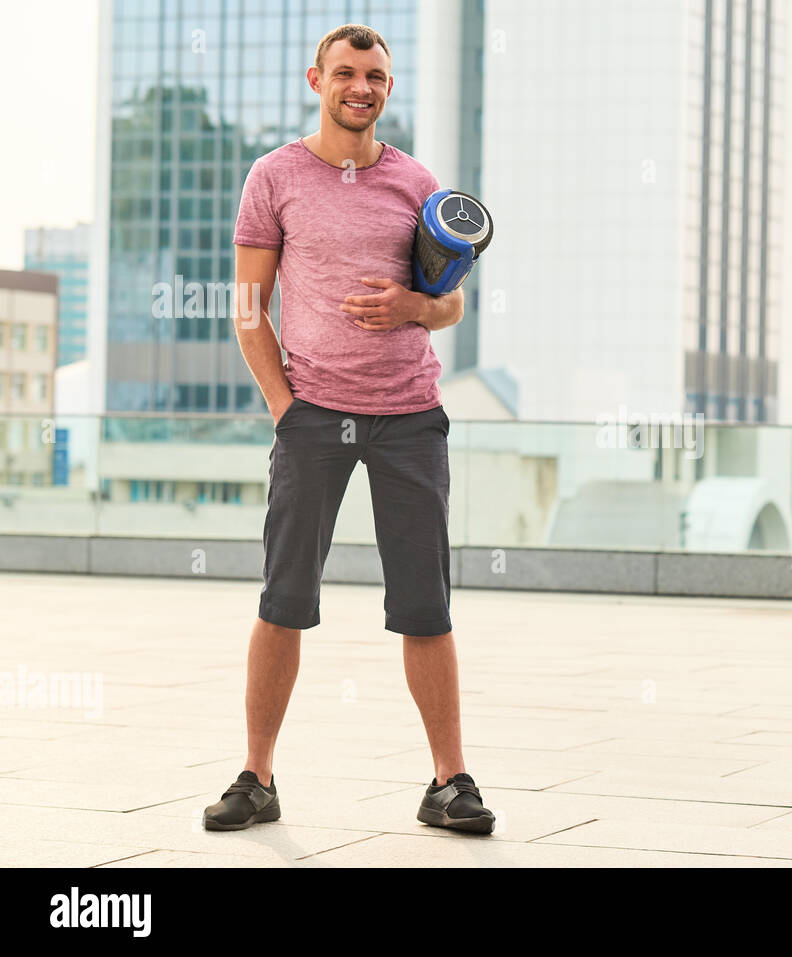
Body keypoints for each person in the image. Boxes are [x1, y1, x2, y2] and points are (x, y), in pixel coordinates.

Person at [202, 23, 494, 834]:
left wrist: (414, 306)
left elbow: (451, 300)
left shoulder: (417, 182)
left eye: (374, 76)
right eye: (345, 73)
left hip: (410, 416)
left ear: (387, 90)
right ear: (316, 79)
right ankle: (256, 776)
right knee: (284, 598)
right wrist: (284, 407)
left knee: (425, 606)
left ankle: (450, 782)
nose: (360, 87)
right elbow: (248, 308)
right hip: (314, 416)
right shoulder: (275, 176)